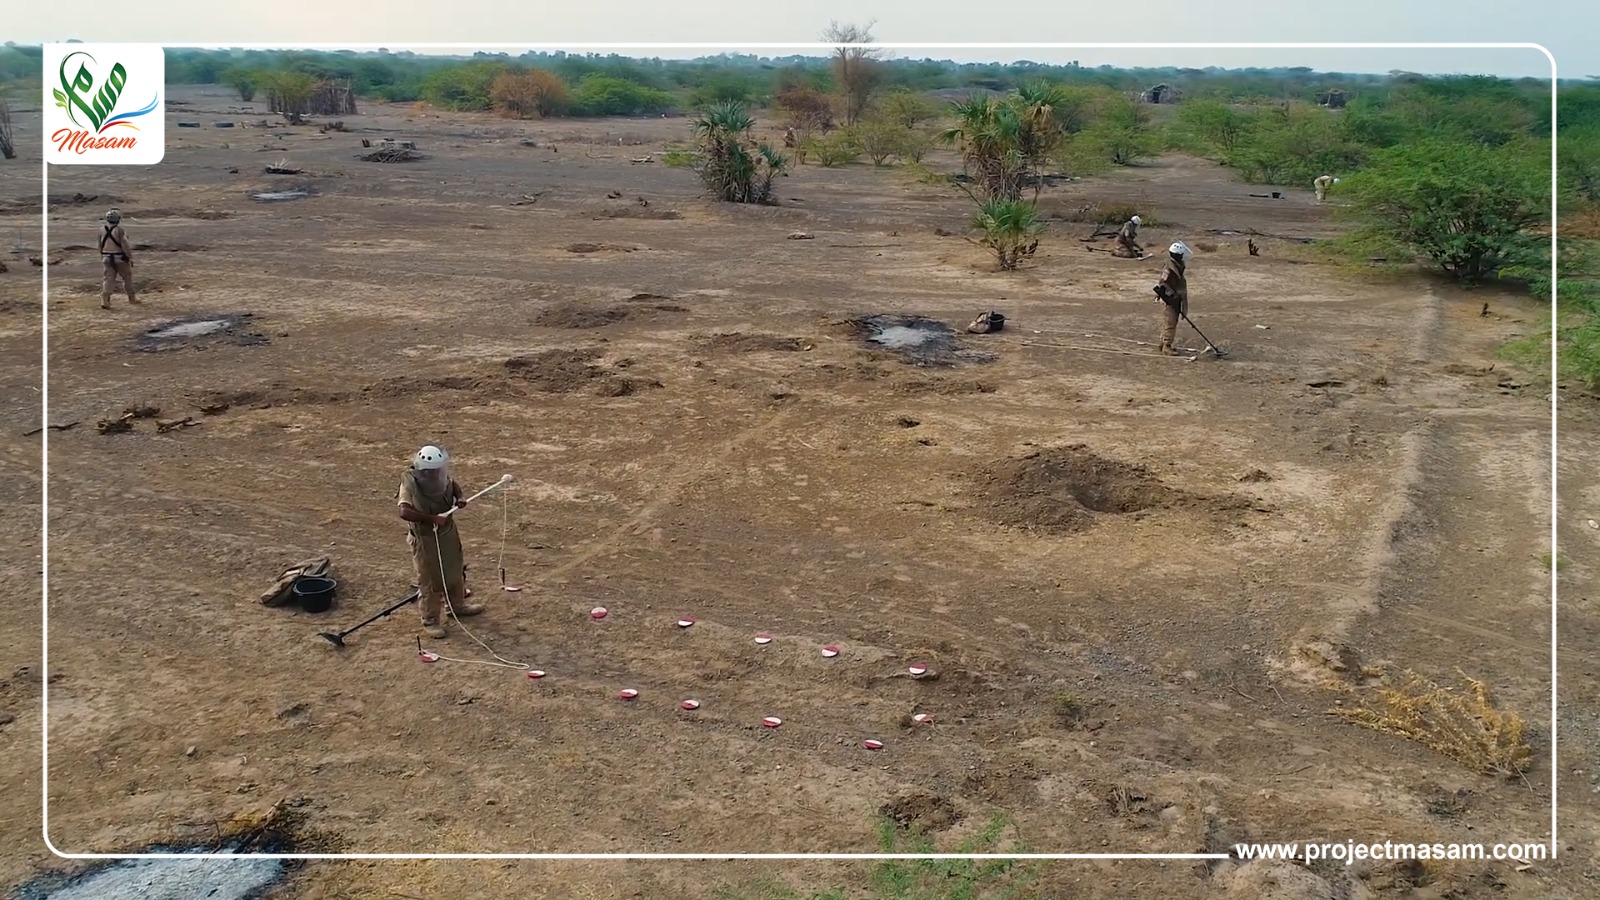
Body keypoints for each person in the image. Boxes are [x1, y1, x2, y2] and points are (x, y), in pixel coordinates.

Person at [397, 445, 484, 639]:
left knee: (454, 570)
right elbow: (404, 511)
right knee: (430, 580)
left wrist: (460, 498)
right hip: (425, 539)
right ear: (424, 470)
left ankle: (457, 606)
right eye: (433, 470)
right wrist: (432, 519)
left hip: (447, 534)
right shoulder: (409, 484)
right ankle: (430, 620)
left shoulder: (441, 478)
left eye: (439, 469)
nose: (437, 473)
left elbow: (453, 485)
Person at [1153, 241, 1192, 356]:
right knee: (1170, 323)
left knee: (1169, 322)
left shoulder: (1176, 266)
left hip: (1175, 298)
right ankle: (1167, 346)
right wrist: (1171, 296)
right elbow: (1162, 283)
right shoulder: (1169, 268)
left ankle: (1162, 344)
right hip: (1170, 299)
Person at [98, 209, 138, 309]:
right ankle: (131, 298)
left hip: (106, 257)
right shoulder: (120, 231)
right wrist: (130, 257)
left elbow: (100, 244)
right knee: (127, 277)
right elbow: (125, 244)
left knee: (108, 279)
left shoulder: (101, 229)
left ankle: (105, 299)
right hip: (119, 258)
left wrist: (102, 255)